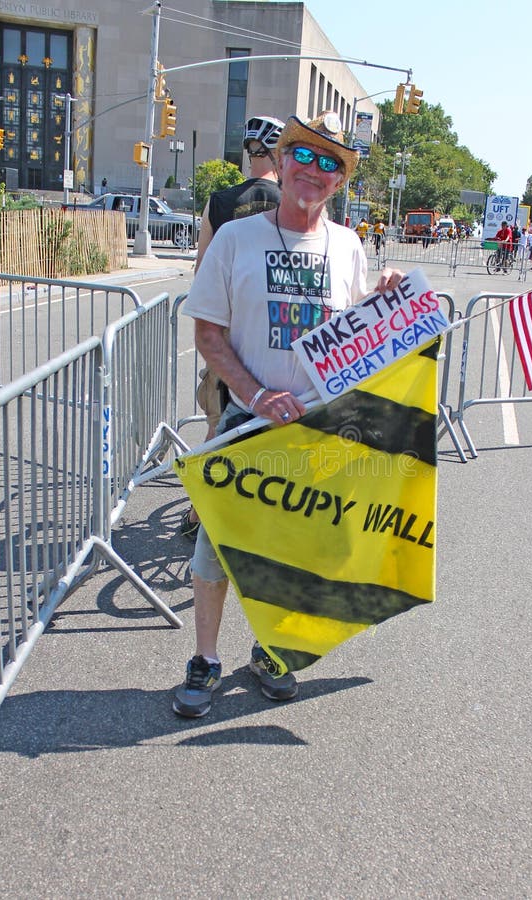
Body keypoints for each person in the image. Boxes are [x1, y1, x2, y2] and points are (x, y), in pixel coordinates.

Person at [174, 111, 405, 717]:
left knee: (294, 550)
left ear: (340, 181)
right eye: (305, 154)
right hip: (247, 427)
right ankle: (205, 658)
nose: (315, 170)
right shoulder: (235, 240)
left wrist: (387, 299)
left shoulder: (349, 246)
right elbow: (208, 333)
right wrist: (257, 397)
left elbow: (359, 336)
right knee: (216, 551)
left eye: (331, 163)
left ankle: (271, 651)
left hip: (318, 435)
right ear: (283, 161)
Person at [181, 115, 284, 542]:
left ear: (249, 152)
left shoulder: (220, 202)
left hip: (227, 339)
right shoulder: (295, 202)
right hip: (280, 339)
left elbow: (203, 273)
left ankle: (199, 511)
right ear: (280, 153)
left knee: (219, 423)